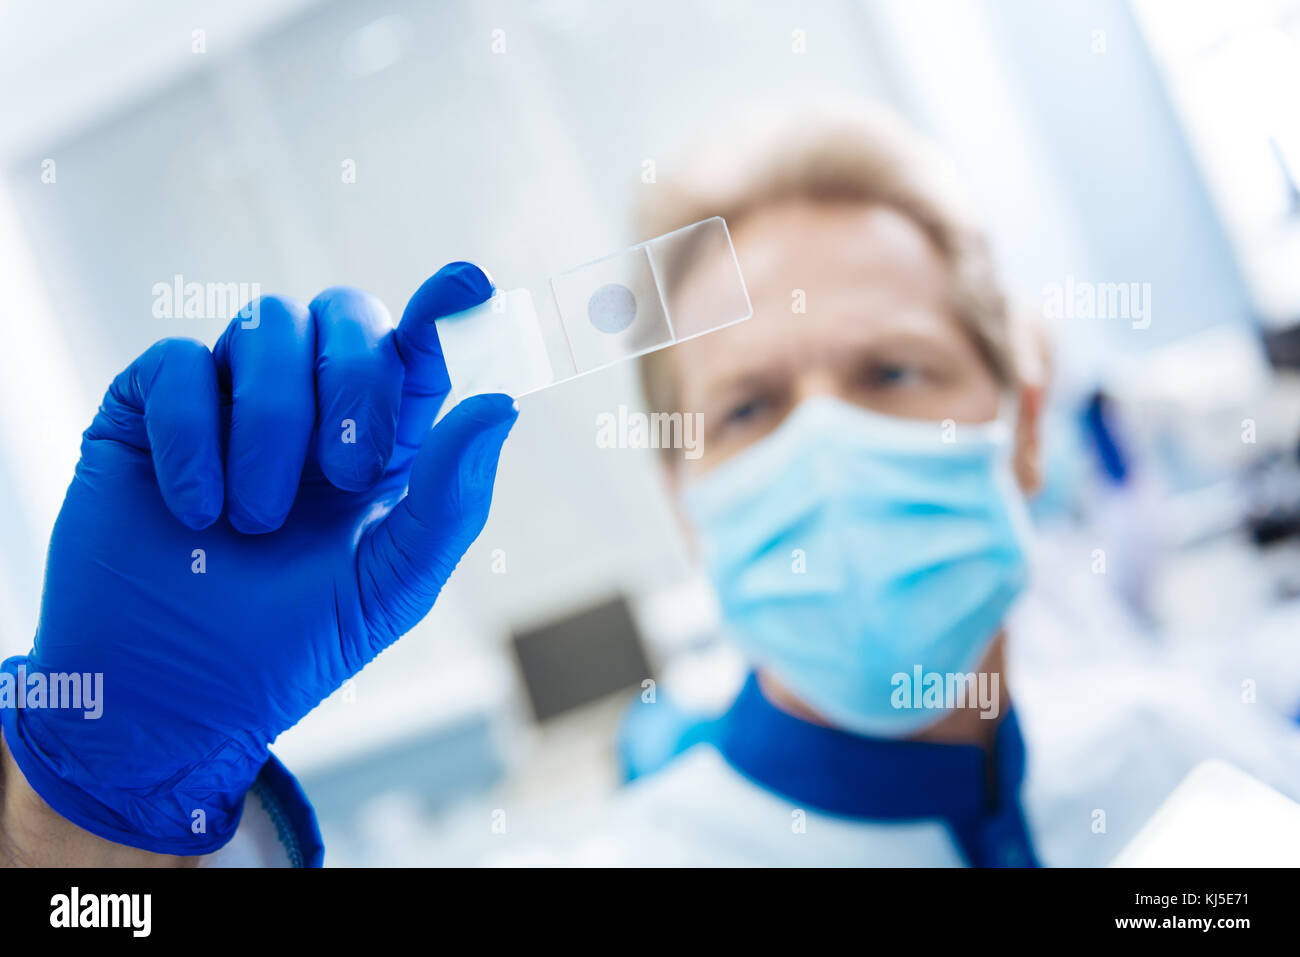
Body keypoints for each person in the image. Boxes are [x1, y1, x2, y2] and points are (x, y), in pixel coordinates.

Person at [3, 103, 1298, 868]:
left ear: (1020, 428)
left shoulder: (1189, 769)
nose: (825, 448)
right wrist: (101, 805)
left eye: (895, 371)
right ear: (686, 492)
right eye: (749, 405)